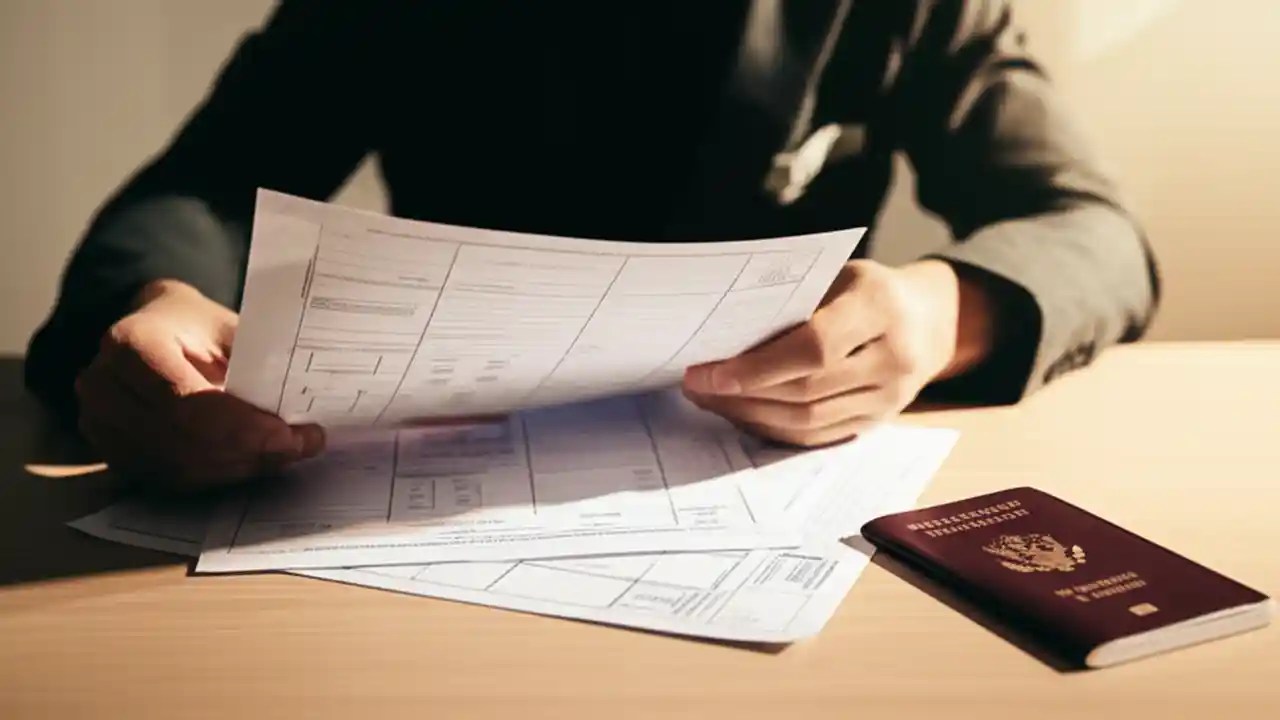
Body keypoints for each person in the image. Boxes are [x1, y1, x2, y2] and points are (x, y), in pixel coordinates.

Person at [26, 1, 1159, 488]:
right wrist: (162, 297)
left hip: (758, 496)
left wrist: (938, 313)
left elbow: (1091, 229)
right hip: (409, 495)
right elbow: (204, 180)